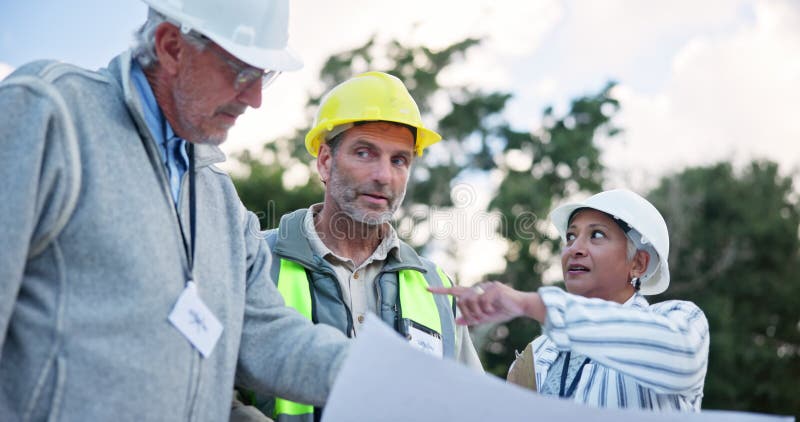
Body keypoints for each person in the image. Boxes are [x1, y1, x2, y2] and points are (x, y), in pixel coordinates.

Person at [0, 1, 350, 420]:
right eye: (242, 71)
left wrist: (383, 375)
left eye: (265, 75)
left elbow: (269, 338)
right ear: (171, 47)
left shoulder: (221, 200)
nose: (255, 98)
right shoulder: (49, 114)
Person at [236, 71, 483, 422]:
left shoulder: (437, 287)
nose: (384, 176)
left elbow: (468, 406)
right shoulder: (252, 260)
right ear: (325, 161)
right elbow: (205, 386)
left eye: (399, 160)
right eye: (365, 153)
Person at [430, 189, 709, 411]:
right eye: (571, 237)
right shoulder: (536, 356)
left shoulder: (681, 321)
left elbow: (681, 358)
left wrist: (530, 304)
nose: (575, 248)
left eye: (596, 235)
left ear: (638, 263)